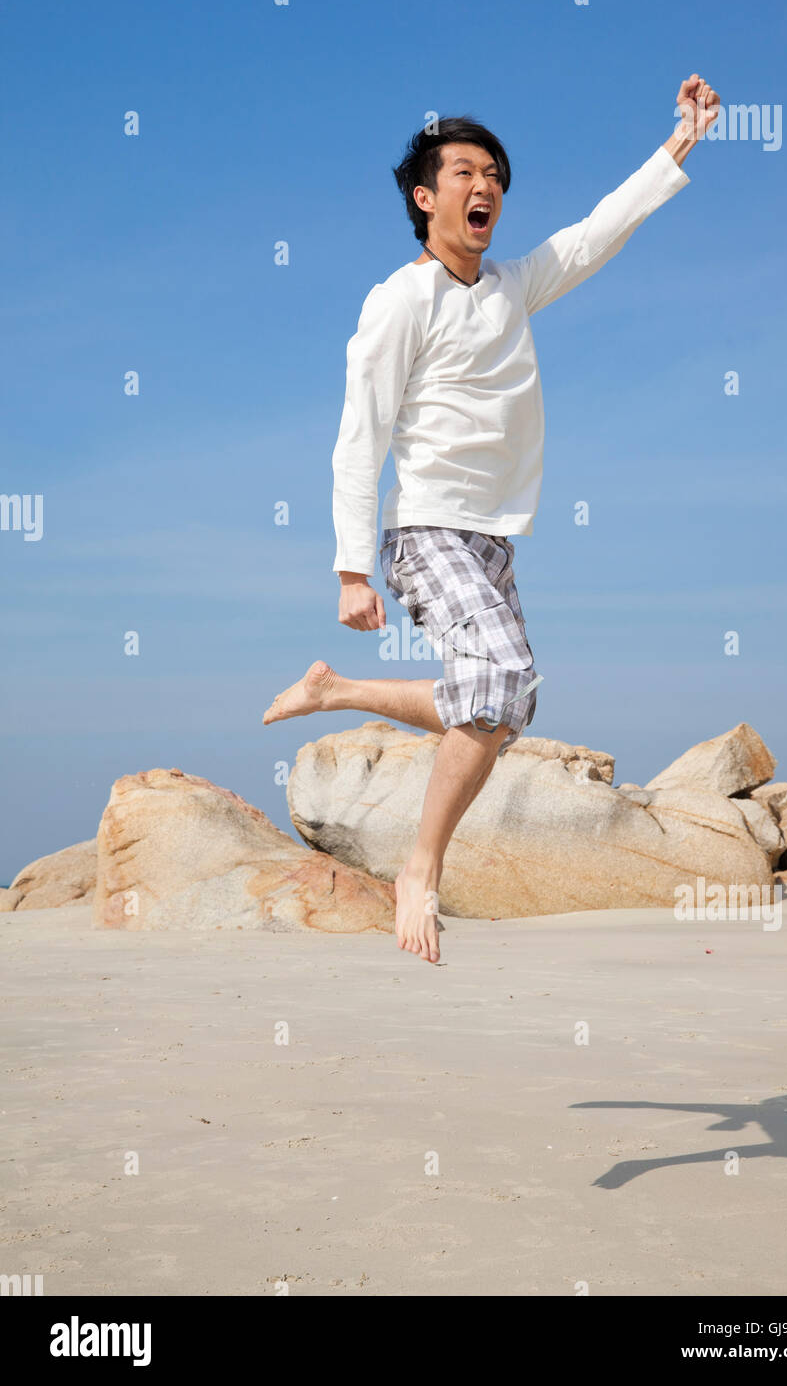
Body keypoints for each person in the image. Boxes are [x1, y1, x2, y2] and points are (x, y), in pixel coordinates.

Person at [264, 75, 720, 965]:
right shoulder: (401, 299)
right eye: (466, 172)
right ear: (424, 198)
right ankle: (419, 868)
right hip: (426, 527)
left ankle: (338, 692)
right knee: (501, 673)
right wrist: (351, 570)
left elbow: (597, 233)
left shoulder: (512, 286)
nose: (486, 188)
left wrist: (683, 140)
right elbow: (359, 436)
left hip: (491, 535)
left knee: (503, 705)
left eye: (497, 177)